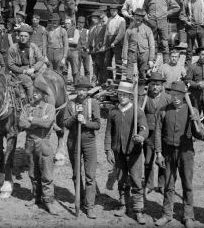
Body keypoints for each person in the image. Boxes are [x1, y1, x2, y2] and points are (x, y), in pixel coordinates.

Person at [153, 80, 203, 228]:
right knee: (169, 184)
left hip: (186, 152)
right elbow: (157, 133)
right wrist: (159, 153)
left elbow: (199, 135)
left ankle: (188, 216)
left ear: (183, 95)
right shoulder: (163, 110)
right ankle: (167, 214)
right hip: (168, 152)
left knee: (187, 184)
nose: (175, 97)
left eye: (179, 95)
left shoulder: (192, 110)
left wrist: (197, 123)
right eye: (173, 94)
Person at [104, 80, 149, 224]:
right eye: (120, 94)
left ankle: (138, 210)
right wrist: (108, 150)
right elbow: (108, 133)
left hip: (134, 152)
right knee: (122, 180)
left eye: (125, 94)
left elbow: (144, 128)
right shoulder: (113, 111)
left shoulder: (137, 111)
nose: (122, 96)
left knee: (136, 180)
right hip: (118, 152)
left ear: (130, 96)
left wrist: (141, 137)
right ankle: (123, 205)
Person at [19, 78, 59, 215]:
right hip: (30, 143)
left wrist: (32, 120)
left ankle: (48, 201)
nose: (34, 94)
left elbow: (48, 124)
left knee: (47, 175)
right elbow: (22, 123)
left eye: (37, 92)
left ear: (43, 95)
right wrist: (37, 122)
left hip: (44, 143)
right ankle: (36, 198)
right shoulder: (27, 107)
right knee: (32, 173)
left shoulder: (49, 108)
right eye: (33, 92)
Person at [63, 76, 101, 219]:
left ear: (87, 91)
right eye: (79, 89)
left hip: (89, 142)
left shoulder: (94, 103)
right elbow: (65, 124)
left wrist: (85, 122)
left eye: (84, 90)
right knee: (76, 173)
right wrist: (75, 118)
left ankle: (89, 206)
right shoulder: (70, 104)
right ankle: (80, 198)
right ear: (76, 90)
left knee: (90, 175)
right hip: (73, 141)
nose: (81, 93)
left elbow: (97, 124)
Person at [141, 73, 170, 196]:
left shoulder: (168, 98)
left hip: (163, 134)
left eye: (158, 85)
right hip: (149, 134)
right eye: (153, 84)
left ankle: (162, 185)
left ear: (162, 86)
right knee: (148, 161)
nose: (155, 87)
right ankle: (148, 184)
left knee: (162, 160)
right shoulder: (144, 98)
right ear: (149, 85)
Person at [143, 0, 180, 64]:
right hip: (152, 22)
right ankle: (153, 63)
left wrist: (167, 13)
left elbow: (176, 7)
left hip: (163, 22)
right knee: (153, 43)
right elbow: (143, 9)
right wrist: (147, 19)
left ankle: (166, 63)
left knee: (165, 43)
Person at [7, 24, 45, 103]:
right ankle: (31, 103)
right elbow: (11, 64)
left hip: (33, 69)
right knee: (28, 82)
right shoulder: (13, 48)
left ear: (29, 37)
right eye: (21, 36)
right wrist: (23, 71)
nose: (23, 38)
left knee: (45, 84)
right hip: (19, 72)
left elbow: (41, 59)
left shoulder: (33, 46)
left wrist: (33, 69)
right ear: (18, 36)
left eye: (25, 36)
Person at [122, 8, 155, 83]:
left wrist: (151, 59)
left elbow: (152, 45)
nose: (138, 18)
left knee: (142, 73)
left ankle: (140, 92)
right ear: (134, 16)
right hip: (132, 52)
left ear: (143, 18)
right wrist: (124, 58)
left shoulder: (147, 29)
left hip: (144, 53)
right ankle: (129, 88)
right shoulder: (129, 29)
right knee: (129, 75)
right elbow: (125, 44)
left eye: (140, 16)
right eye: (136, 16)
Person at [103, 4, 126, 81]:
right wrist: (104, 43)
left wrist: (115, 42)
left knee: (118, 62)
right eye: (111, 10)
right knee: (107, 61)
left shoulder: (121, 20)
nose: (112, 12)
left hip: (117, 42)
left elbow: (121, 33)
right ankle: (110, 79)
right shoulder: (109, 19)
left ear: (117, 11)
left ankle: (118, 80)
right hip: (109, 42)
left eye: (114, 10)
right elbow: (106, 32)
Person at [87, 10, 106, 85]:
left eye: (95, 18)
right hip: (92, 49)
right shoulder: (91, 28)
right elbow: (89, 38)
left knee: (100, 65)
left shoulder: (102, 27)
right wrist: (88, 46)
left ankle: (100, 80)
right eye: (92, 18)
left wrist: (99, 47)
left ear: (99, 19)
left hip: (99, 49)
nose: (93, 19)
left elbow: (103, 39)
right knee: (94, 64)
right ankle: (95, 80)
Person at [64, 17, 80, 85]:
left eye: (68, 23)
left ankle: (76, 85)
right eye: (66, 23)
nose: (66, 24)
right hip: (65, 51)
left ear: (71, 24)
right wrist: (70, 40)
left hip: (73, 51)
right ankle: (63, 84)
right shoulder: (63, 30)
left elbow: (75, 42)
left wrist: (65, 41)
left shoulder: (75, 30)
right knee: (64, 69)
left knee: (75, 69)